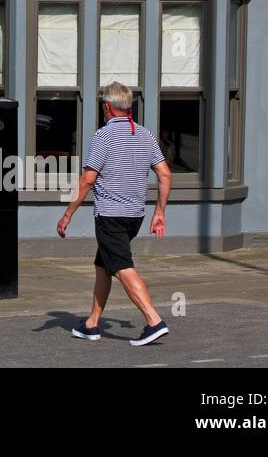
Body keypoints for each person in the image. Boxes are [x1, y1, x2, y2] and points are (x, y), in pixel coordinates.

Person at [56, 81, 172, 346]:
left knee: (121, 266)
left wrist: (67, 214)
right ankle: (92, 324)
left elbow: (87, 179)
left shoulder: (103, 136)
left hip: (110, 215)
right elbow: (165, 173)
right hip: (136, 215)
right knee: (102, 265)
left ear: (107, 107)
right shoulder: (145, 134)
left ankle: (153, 320)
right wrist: (160, 212)